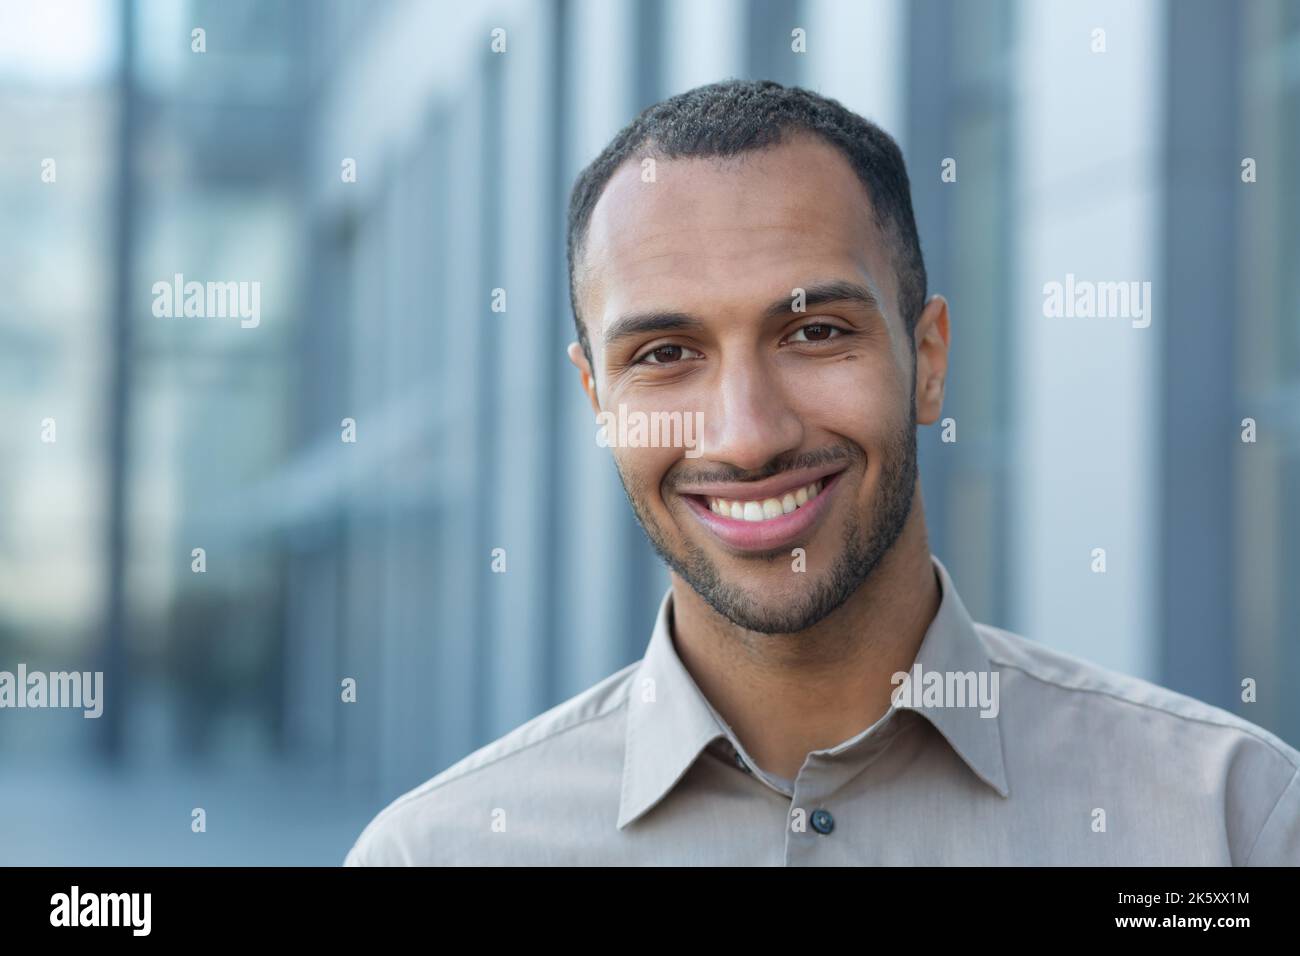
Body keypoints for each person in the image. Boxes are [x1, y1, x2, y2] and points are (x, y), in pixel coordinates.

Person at [344, 80, 1299, 865]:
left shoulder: (1227, 825)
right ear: (598, 399)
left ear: (928, 360)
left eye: (814, 333)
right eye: (666, 353)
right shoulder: (436, 856)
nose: (749, 435)